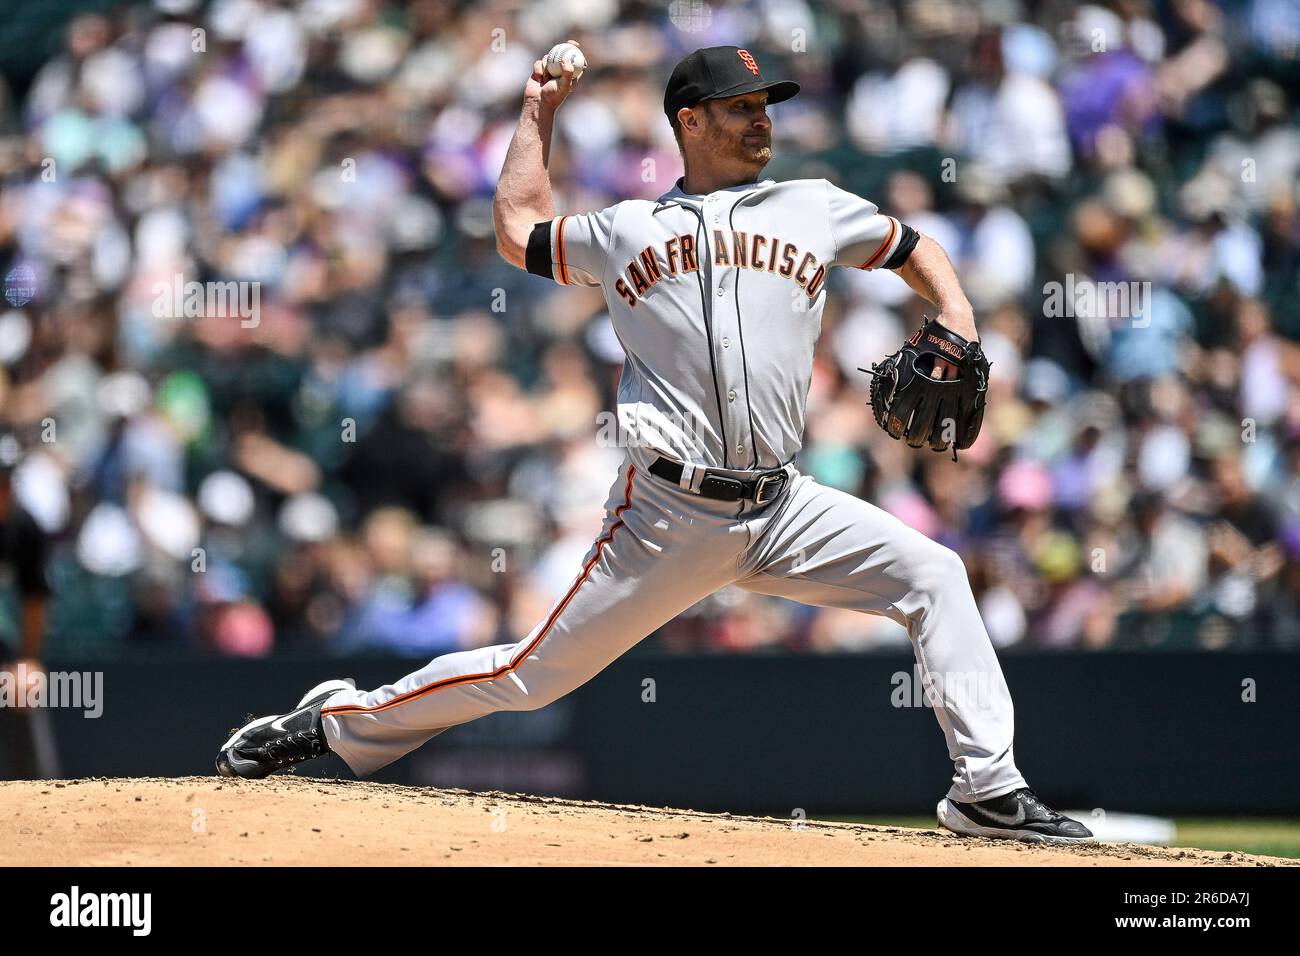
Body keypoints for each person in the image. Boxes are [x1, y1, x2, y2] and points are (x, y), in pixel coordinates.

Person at [215, 44, 1092, 844]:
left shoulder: (813, 206)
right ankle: (335, 720)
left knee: (935, 575)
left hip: (785, 504)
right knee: (529, 674)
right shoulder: (626, 228)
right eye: (741, 107)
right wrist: (538, 111)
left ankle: (987, 789)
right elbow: (517, 230)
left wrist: (957, 310)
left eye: (766, 105)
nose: (762, 120)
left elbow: (910, 245)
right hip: (668, 514)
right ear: (690, 121)